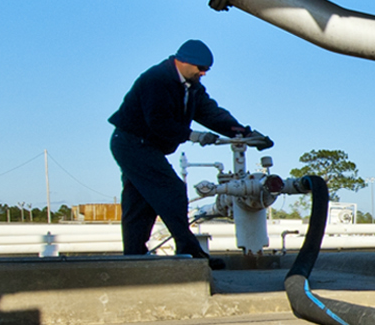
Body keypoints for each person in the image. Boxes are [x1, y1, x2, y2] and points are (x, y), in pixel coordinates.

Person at [106, 39, 268, 267]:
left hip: (142, 145)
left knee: (139, 203)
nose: (203, 73)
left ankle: (134, 259)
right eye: (200, 68)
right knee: (171, 189)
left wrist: (243, 131)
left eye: (206, 70)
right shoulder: (156, 80)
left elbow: (210, 112)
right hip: (131, 143)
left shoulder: (191, 87)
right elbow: (159, 122)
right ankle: (190, 252)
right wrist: (195, 136)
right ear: (182, 61)